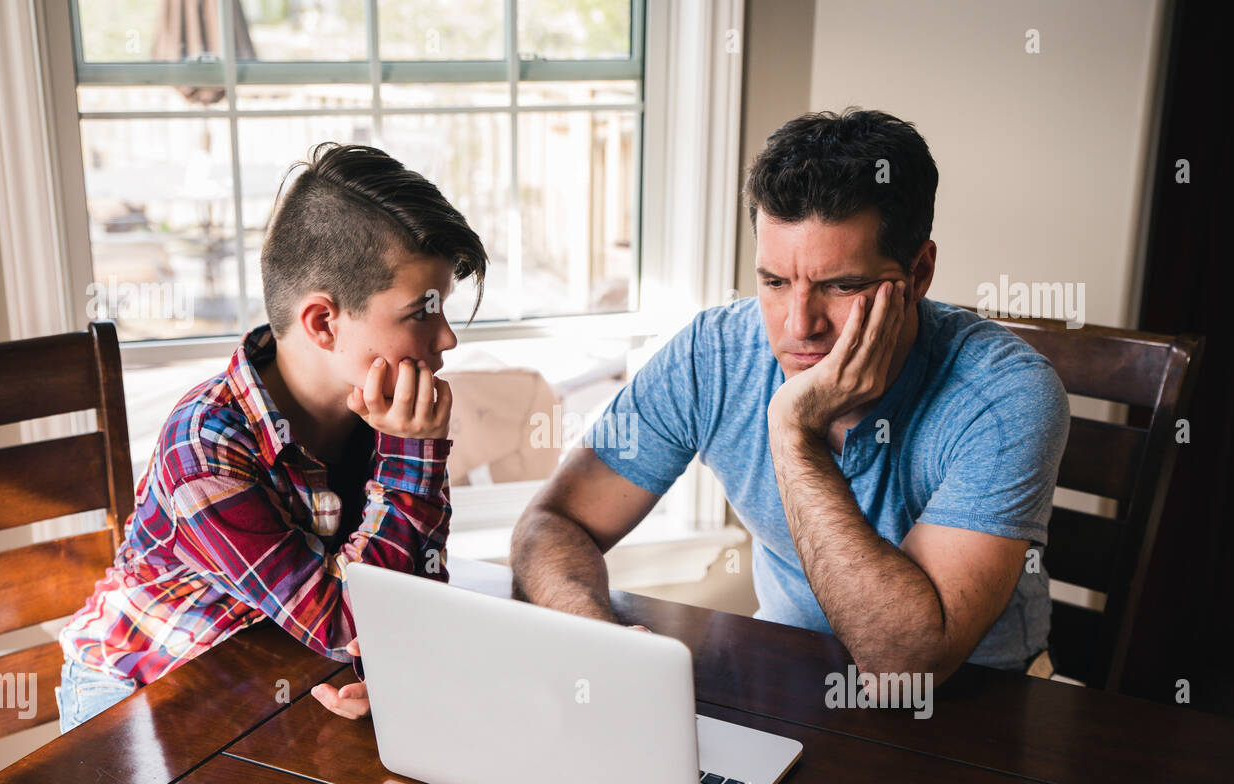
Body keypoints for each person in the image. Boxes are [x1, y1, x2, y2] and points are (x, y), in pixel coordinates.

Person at [511, 109, 1070, 690]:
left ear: (919, 272)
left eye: (841, 285)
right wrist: (596, 638)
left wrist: (793, 431)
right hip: (789, 675)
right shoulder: (715, 354)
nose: (798, 326)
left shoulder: (1005, 395)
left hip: (979, 706)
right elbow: (553, 523)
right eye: (775, 283)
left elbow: (906, 666)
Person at [54, 142, 485, 731]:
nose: (447, 339)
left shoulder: (378, 412)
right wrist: (413, 457)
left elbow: (411, 592)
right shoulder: (207, 447)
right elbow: (347, 625)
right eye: (422, 313)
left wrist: (384, 669)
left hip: (269, 662)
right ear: (323, 323)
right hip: (138, 690)